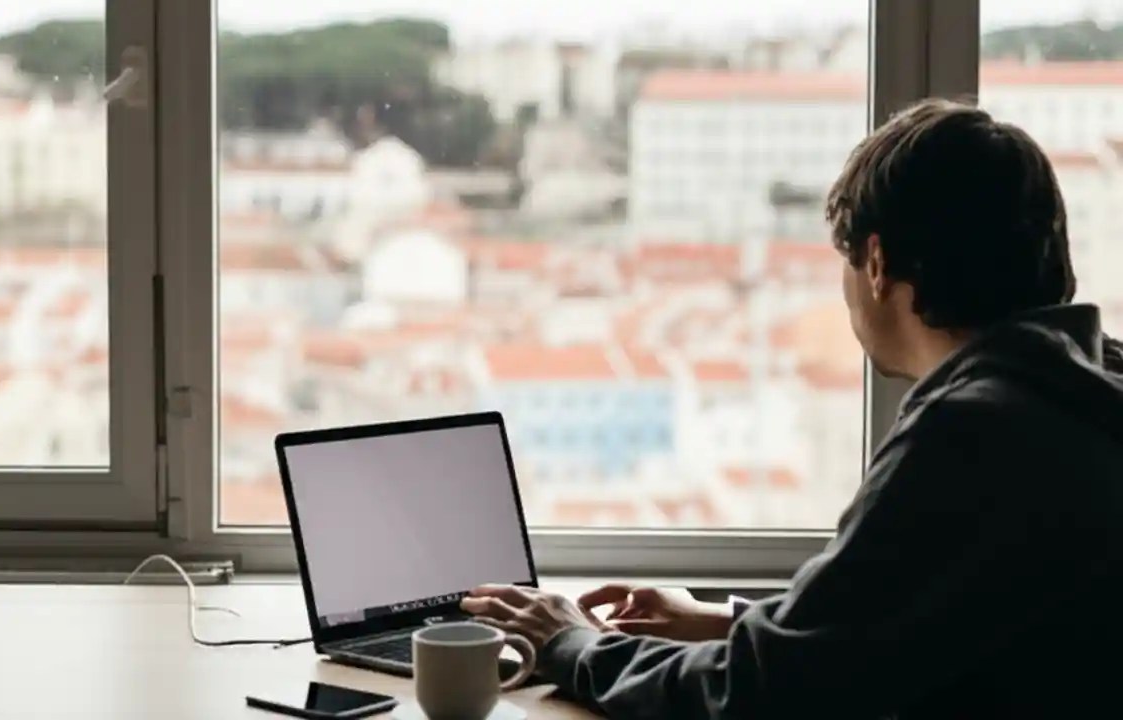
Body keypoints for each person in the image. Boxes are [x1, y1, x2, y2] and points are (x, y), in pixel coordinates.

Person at [461, 98, 1123, 718]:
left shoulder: (972, 430)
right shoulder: (1084, 384)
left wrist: (574, 644)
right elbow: (925, 621)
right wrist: (729, 622)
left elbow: (758, 697)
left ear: (876, 263)